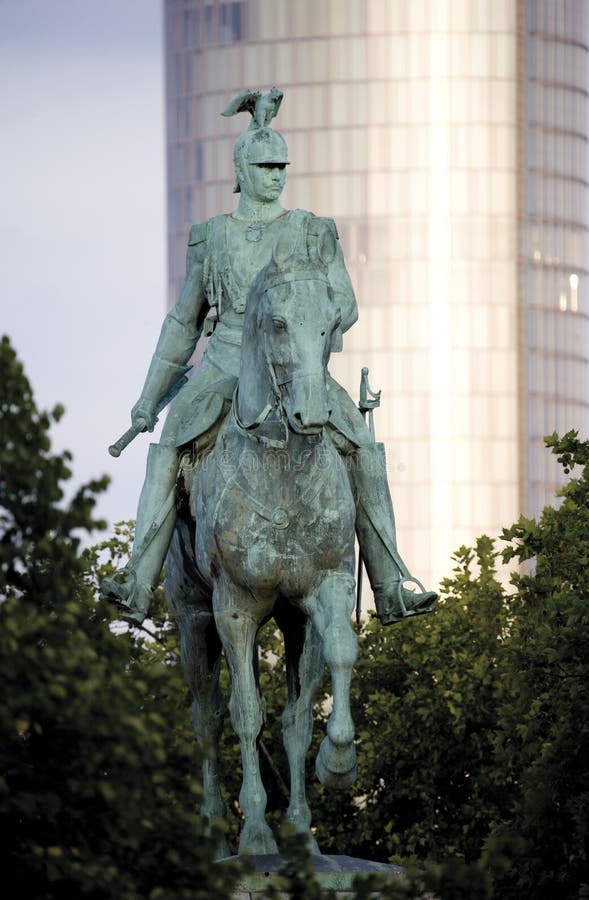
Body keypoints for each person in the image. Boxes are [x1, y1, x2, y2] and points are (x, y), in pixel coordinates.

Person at [101, 89, 436, 626]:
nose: (276, 174)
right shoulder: (211, 238)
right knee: (168, 445)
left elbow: (345, 304)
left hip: (298, 367)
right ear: (241, 171)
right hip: (225, 363)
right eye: (265, 166)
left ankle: (391, 584)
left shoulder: (311, 230)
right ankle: (139, 580)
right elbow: (183, 323)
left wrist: (313, 318)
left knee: (362, 445)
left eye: (281, 165)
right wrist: (146, 400)